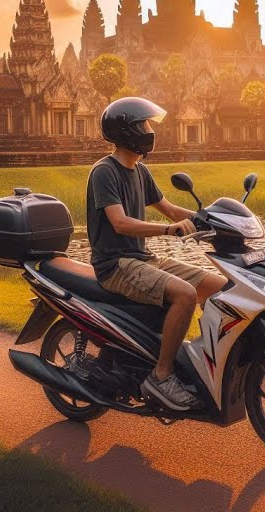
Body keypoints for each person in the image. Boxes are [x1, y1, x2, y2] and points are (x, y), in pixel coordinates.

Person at [87, 97, 227, 411]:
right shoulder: (104, 172)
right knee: (185, 294)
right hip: (116, 264)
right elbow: (119, 223)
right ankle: (162, 376)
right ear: (126, 132)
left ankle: (201, 362)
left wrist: (212, 220)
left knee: (220, 287)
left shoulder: (140, 170)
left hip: (141, 259)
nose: (150, 132)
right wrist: (169, 230)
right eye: (144, 125)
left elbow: (168, 209)